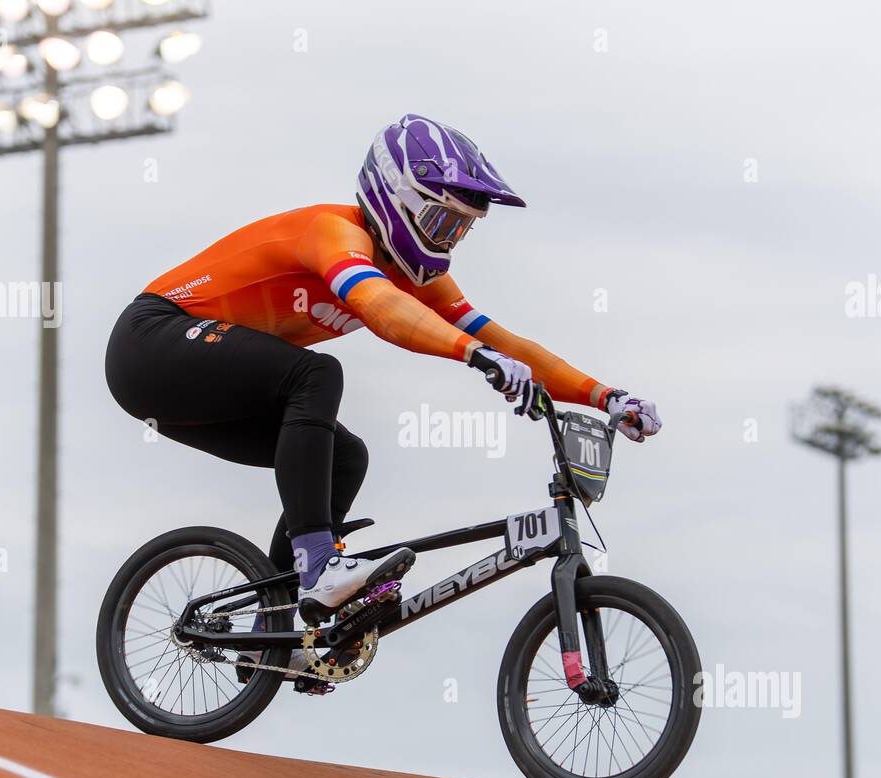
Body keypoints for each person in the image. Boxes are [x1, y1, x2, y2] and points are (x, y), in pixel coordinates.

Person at [105, 113, 661, 628]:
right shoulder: (335, 233)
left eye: (460, 230)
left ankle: (275, 628)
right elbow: (382, 309)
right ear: (398, 199)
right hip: (150, 343)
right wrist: (472, 355)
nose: (447, 242)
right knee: (316, 376)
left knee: (347, 459)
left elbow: (504, 340)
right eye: (441, 221)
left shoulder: (418, 279)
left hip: (196, 388)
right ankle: (319, 564)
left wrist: (605, 395)